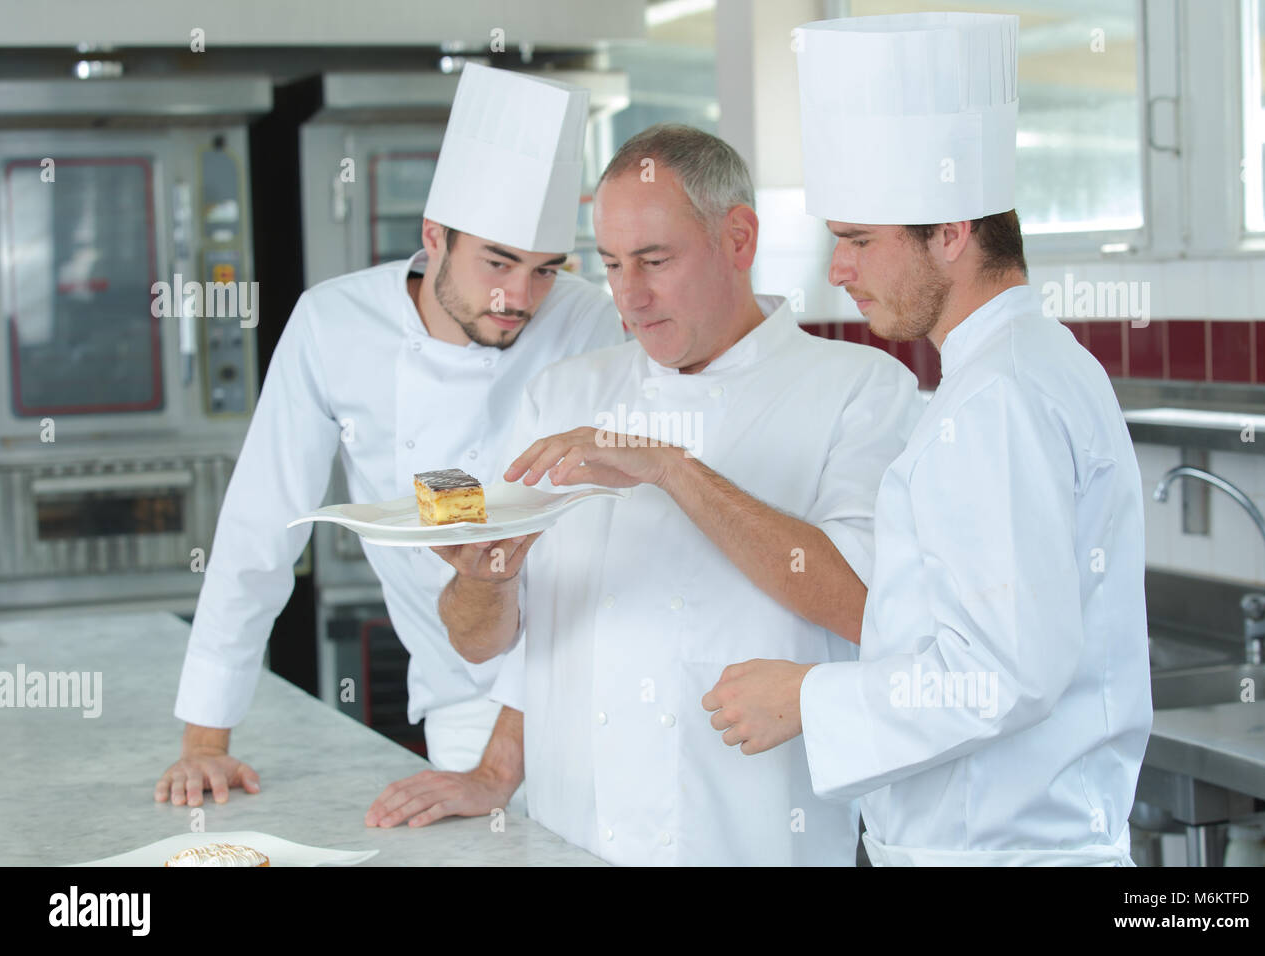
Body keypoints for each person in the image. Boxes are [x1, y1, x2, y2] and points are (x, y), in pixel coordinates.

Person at [704, 12, 1152, 866]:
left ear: (951, 233)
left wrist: (809, 697)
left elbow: (1004, 672)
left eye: (860, 241)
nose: (838, 270)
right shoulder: (1019, 370)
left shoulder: (1000, 401)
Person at [432, 124, 925, 865]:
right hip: (572, 841)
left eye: (656, 260)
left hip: (754, 842)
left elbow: (862, 603)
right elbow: (480, 640)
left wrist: (671, 469)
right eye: (610, 264)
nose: (629, 295)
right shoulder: (565, 394)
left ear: (739, 238)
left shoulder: (860, 388)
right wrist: (482, 577)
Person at [154, 64, 624, 827]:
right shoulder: (334, 325)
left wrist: (505, 766)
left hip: (584, 691)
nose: (520, 300)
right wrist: (207, 737)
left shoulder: (589, 322)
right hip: (458, 706)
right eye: (497, 263)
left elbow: (605, 561)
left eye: (545, 270)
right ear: (433, 237)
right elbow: (260, 523)